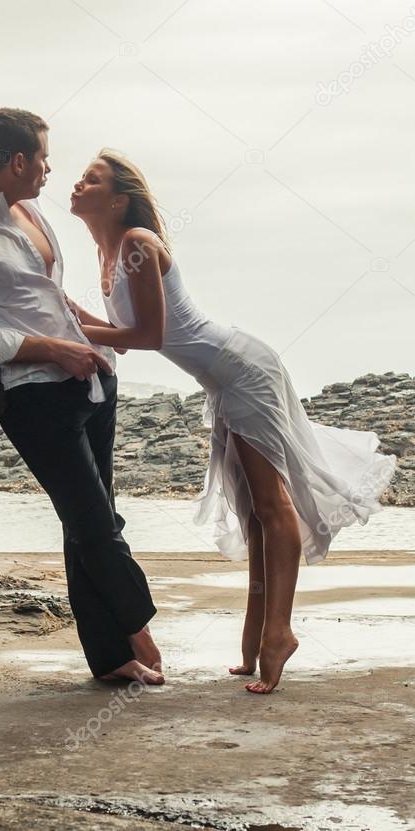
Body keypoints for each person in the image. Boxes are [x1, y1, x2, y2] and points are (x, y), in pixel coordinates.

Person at [69, 149, 397, 694]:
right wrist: (70, 317)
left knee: (272, 506)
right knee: (252, 516)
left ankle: (279, 634)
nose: (77, 183)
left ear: (120, 199)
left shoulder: (136, 244)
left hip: (244, 369)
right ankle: (254, 639)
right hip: (223, 380)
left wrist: (79, 331)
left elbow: (148, 336)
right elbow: (127, 334)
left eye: (92, 178)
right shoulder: (107, 257)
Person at [0, 109, 163, 685]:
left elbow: (48, 298)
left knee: (87, 527)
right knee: (95, 522)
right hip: (33, 397)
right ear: (17, 161)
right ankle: (138, 624)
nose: (52, 169)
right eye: (44, 157)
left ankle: (110, 659)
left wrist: (88, 345)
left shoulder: (32, 211)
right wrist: (53, 350)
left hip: (92, 381)